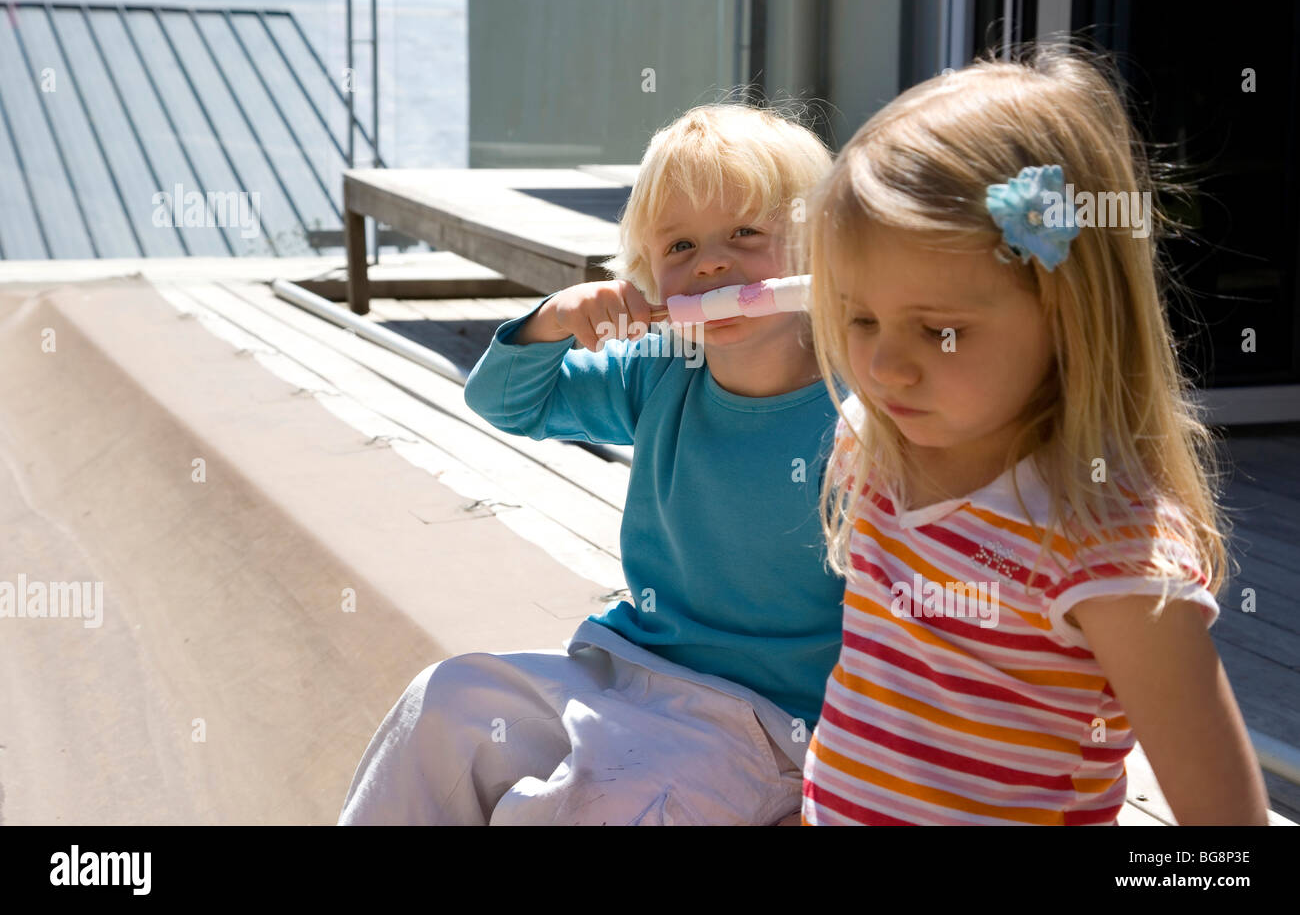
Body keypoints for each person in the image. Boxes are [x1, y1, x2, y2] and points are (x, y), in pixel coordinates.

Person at [797, 43, 1270, 825]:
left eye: (940, 330)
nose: (884, 368)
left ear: (1070, 314)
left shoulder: (1108, 554)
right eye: (859, 317)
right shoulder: (872, 446)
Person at [337, 102, 846, 825]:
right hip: (625, 669)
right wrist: (554, 318)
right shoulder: (663, 367)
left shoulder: (861, 413)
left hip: (769, 726)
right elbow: (507, 401)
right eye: (678, 249)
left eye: (745, 234)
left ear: (818, 250)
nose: (710, 263)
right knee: (444, 702)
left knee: (589, 805)